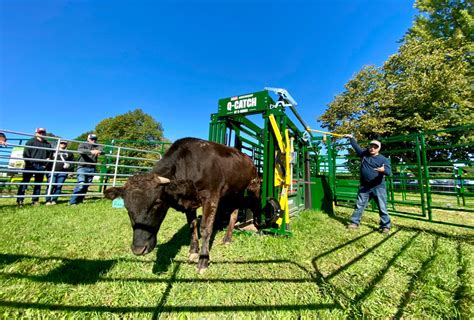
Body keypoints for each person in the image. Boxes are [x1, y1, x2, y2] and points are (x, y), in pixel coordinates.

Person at [344, 134, 392, 233]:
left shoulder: (383, 159)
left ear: (378, 149)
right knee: (359, 205)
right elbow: (356, 147)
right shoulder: (364, 154)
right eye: (371, 146)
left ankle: (385, 226)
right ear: (369, 146)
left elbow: (389, 172)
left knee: (382, 207)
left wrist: (383, 170)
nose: (372, 148)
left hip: (378, 187)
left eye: (375, 147)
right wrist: (351, 138)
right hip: (364, 187)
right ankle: (354, 223)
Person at [17, 128, 53, 206]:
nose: (41, 134)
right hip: (30, 165)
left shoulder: (48, 144)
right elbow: (26, 154)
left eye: (43, 132)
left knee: (38, 184)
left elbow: (50, 156)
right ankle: (20, 200)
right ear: (36, 133)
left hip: (41, 166)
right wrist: (29, 163)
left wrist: (44, 165)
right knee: (25, 182)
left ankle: (35, 200)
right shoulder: (30, 141)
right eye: (40, 132)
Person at [69, 133, 103, 205]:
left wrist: (99, 151)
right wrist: (91, 151)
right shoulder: (83, 144)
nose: (93, 140)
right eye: (92, 139)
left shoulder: (98, 145)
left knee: (86, 185)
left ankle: (80, 200)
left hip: (92, 167)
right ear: (88, 139)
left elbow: (102, 150)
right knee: (81, 184)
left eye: (95, 139)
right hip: (82, 167)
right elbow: (80, 150)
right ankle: (72, 202)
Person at [45, 140, 75, 205]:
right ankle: (48, 200)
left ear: (67, 144)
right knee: (51, 185)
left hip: (63, 172)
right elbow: (48, 159)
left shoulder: (69, 153)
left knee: (59, 186)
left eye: (64, 143)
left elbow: (72, 162)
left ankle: (54, 200)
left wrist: (71, 170)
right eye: (61, 143)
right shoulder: (53, 151)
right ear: (59, 144)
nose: (63, 144)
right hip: (52, 171)